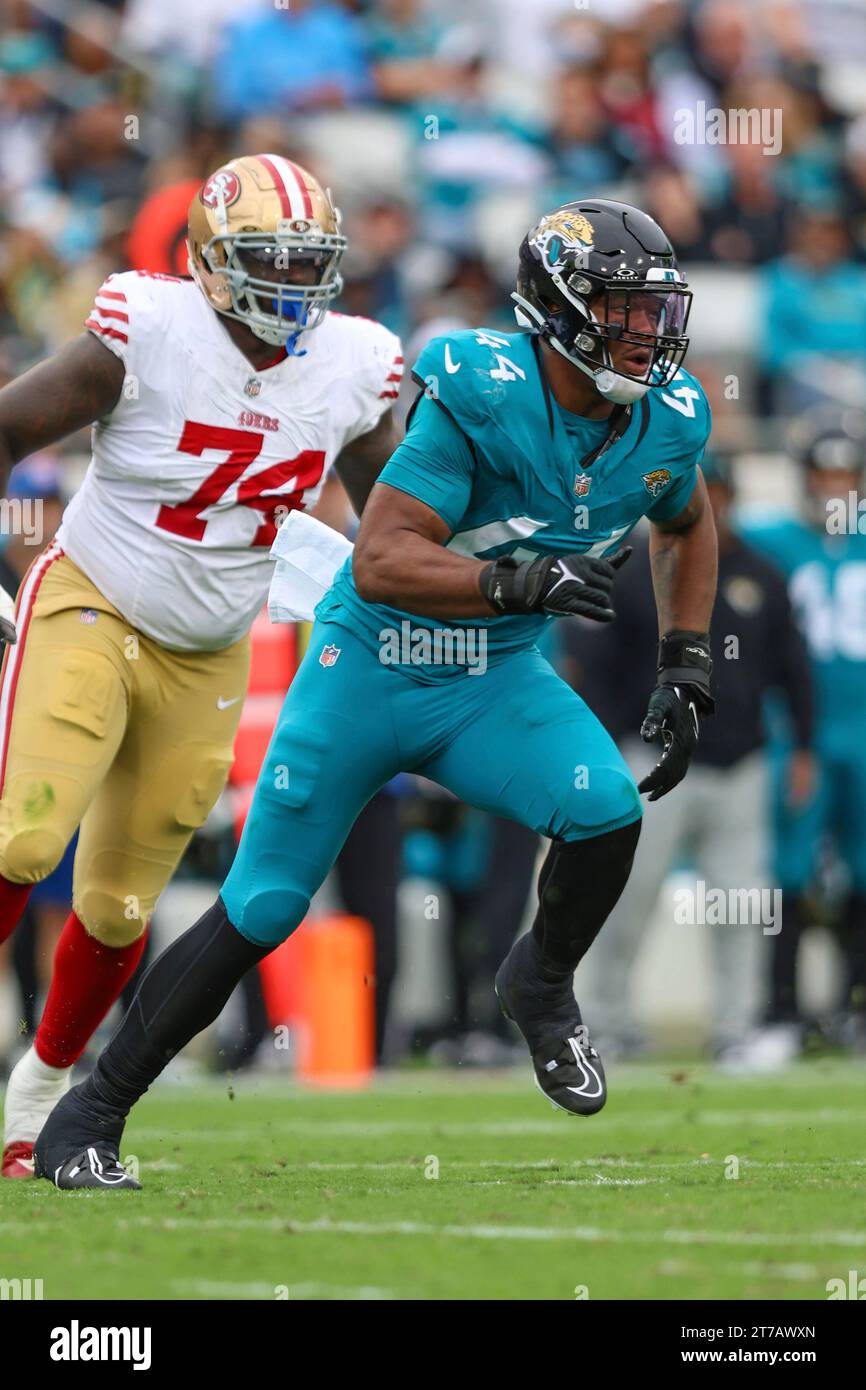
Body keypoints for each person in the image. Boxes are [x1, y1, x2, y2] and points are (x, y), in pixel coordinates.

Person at [34, 198, 718, 1190]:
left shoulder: (664, 418)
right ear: (562, 310)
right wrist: (511, 581)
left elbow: (686, 522)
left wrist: (686, 660)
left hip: (491, 677)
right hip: (375, 662)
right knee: (265, 902)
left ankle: (539, 981)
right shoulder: (479, 391)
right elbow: (385, 559)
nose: (647, 333)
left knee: (605, 809)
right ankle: (89, 1116)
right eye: (622, 310)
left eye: (654, 313)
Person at [0, 153, 402, 1178]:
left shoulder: (354, 363)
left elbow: (398, 518)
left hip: (212, 643)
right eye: (268, 259)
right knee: (26, 834)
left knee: (119, 907)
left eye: (308, 261)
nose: (292, 282)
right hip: (93, 599)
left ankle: (40, 1096)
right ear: (210, 262)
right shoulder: (146, 326)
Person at [567, 454, 813, 1063]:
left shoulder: (761, 572)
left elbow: (794, 667)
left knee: (742, 901)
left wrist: (803, 746)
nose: (712, 507)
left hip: (739, 763)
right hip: (650, 763)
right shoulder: (628, 572)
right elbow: (590, 674)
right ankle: (606, 1020)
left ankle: (738, 1025)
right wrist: (602, 756)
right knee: (627, 894)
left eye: (720, 495)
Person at [741, 409, 866, 1058]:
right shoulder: (773, 540)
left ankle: (855, 1008)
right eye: (825, 474)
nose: (836, 486)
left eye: (847, 473)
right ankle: (781, 1012)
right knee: (788, 874)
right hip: (799, 733)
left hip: (865, 731)